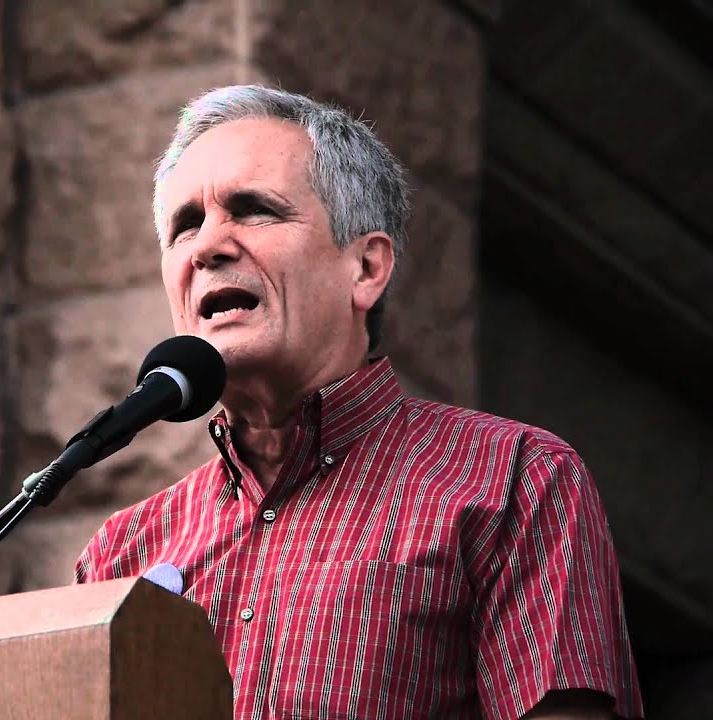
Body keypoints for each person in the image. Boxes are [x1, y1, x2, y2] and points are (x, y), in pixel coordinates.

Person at [74, 85, 643, 720]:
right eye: (185, 226)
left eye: (255, 210)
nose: (208, 246)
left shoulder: (513, 478)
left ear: (367, 268)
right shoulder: (121, 554)